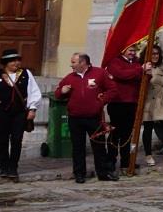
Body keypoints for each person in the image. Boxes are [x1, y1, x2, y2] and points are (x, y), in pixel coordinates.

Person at [0, 49, 40, 182]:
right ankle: (4, 166)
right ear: (5, 63)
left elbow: (34, 92)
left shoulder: (26, 74)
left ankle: (13, 167)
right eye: (13, 61)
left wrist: (32, 108)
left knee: (17, 140)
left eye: (18, 60)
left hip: (20, 113)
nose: (16, 63)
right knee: (3, 140)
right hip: (2, 113)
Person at [56, 53, 112, 183]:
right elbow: (58, 94)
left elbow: (112, 90)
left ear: (83, 63)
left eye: (74, 62)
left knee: (99, 146)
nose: (71, 65)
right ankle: (79, 174)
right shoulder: (69, 78)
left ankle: (103, 173)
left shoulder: (99, 73)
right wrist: (62, 91)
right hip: (75, 118)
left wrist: (101, 101)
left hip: (94, 117)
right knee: (78, 147)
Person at [102, 42, 145, 175]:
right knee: (115, 133)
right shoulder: (115, 62)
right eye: (130, 50)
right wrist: (138, 70)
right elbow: (121, 74)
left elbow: (139, 77)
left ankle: (126, 161)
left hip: (132, 102)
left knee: (127, 134)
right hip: (117, 102)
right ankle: (111, 160)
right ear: (123, 51)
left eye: (134, 50)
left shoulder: (137, 62)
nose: (132, 53)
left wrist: (139, 71)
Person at [139, 45, 163, 170]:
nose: (155, 56)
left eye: (156, 53)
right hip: (150, 100)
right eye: (152, 53)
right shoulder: (142, 66)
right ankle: (148, 154)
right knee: (148, 127)